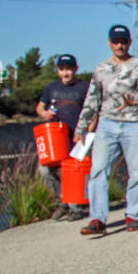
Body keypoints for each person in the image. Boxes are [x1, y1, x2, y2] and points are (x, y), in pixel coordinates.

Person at [73, 25, 138, 235]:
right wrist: (82, 127)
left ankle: (132, 215)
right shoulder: (101, 69)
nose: (120, 45)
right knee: (98, 170)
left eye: (124, 41)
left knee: (136, 171)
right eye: (116, 41)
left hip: (134, 123)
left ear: (130, 42)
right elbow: (92, 100)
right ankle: (97, 218)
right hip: (107, 123)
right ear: (109, 42)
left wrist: (132, 99)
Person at [36, 53, 90, 221]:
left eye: (69, 69)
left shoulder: (85, 87)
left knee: (75, 172)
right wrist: (44, 113)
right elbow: (40, 107)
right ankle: (62, 202)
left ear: (76, 69)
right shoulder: (51, 88)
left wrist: (89, 130)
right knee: (45, 170)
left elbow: (94, 109)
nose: (65, 73)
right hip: (56, 139)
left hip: (79, 137)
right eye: (62, 69)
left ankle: (78, 206)